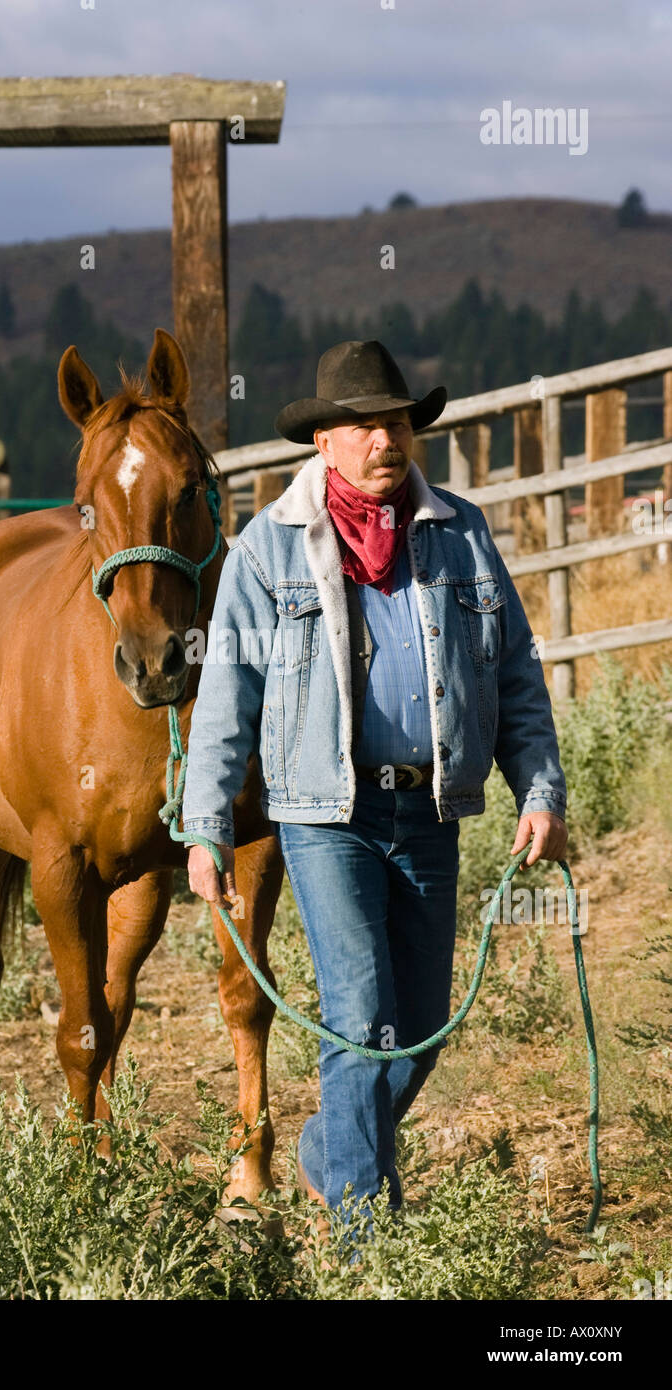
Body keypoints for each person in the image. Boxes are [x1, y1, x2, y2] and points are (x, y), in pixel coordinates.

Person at [182, 339, 567, 1225]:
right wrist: (204, 825)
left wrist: (537, 789)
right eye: (363, 425)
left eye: (395, 421)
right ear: (324, 441)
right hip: (327, 815)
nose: (385, 439)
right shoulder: (265, 551)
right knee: (360, 1018)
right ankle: (365, 1234)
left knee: (423, 1026)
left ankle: (327, 1149)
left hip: (430, 807)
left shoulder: (460, 532)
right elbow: (224, 701)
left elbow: (513, 672)